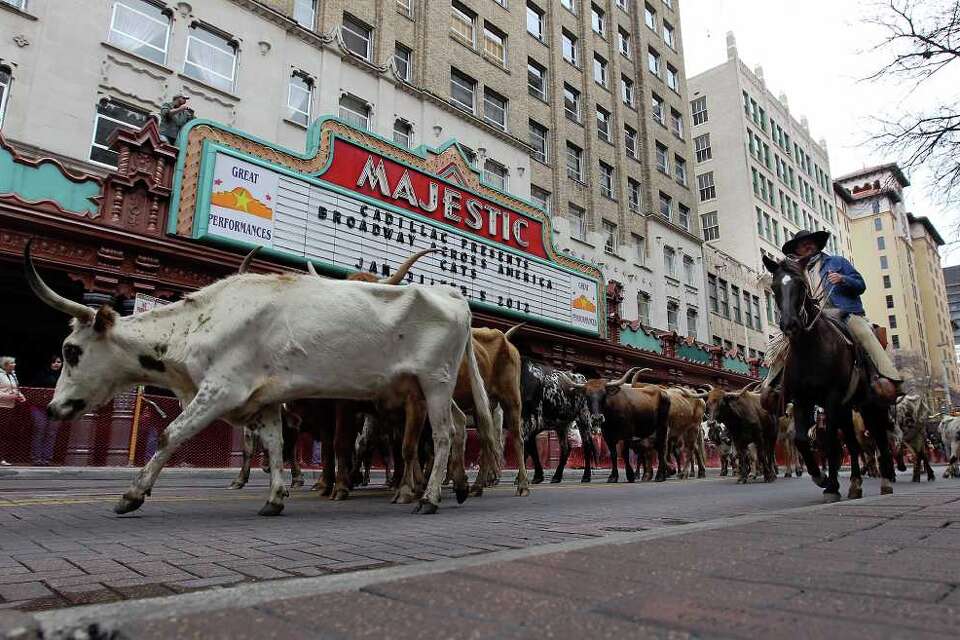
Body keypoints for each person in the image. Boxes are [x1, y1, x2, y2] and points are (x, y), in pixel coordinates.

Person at [763, 229, 902, 403]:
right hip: (811, 318)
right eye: (802, 244)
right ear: (796, 250)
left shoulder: (837, 262)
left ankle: (886, 377)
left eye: (810, 242)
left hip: (843, 313)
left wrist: (843, 279)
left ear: (817, 245)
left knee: (864, 333)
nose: (807, 245)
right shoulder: (794, 271)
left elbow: (861, 285)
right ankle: (773, 386)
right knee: (782, 343)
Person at [30, 356, 63, 466]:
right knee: (40, 431)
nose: (56, 364)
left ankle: (47, 458)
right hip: (39, 407)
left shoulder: (64, 376)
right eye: (53, 362)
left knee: (51, 433)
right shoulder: (41, 374)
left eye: (58, 362)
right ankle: (36, 458)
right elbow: (34, 390)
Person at [0, 356, 26, 466]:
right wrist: (10, 396)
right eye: (12, 363)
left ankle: (2, 457)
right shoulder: (0, 375)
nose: (14, 365)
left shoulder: (13, 375)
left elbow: (15, 390)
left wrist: (20, 396)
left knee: (5, 433)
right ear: (5, 365)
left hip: (11, 407)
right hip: (1, 407)